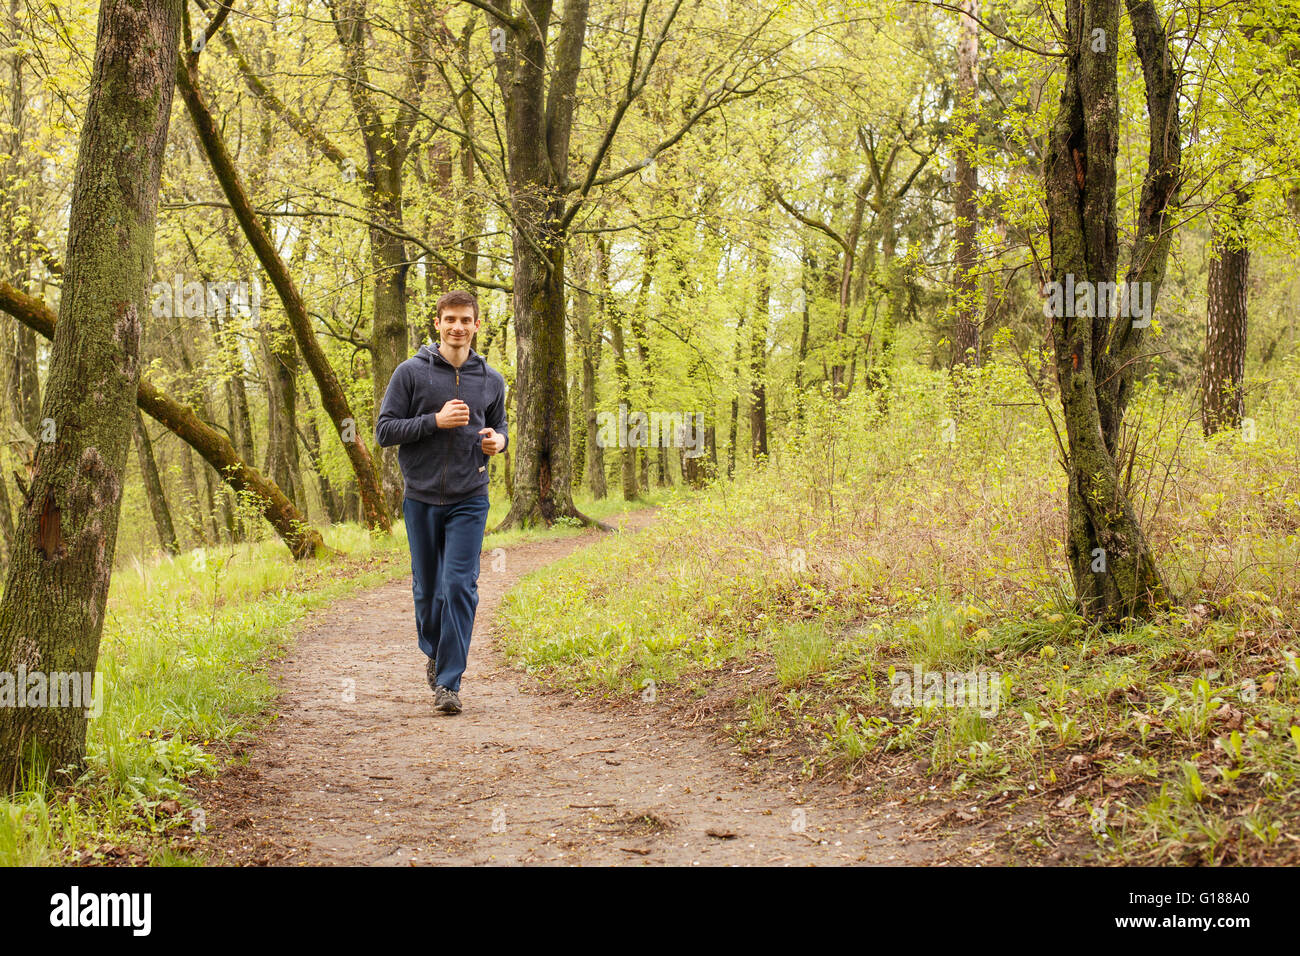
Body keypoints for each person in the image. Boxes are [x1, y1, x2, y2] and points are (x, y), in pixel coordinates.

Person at [375, 290, 508, 715]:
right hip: (421, 497)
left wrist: (497, 441)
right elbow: (384, 430)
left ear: (476, 325)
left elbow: (500, 425)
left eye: (465, 320)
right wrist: (435, 421)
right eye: (449, 319)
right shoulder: (410, 374)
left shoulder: (490, 379)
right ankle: (434, 650)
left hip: (471, 496)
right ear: (437, 324)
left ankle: (449, 682)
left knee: (460, 586)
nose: (457, 327)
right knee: (428, 590)